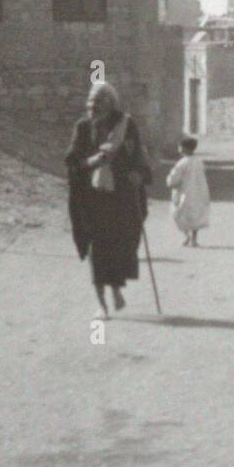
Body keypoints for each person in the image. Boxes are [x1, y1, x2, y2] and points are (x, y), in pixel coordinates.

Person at [64, 80, 153, 319]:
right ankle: (101, 303)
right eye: (91, 105)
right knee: (96, 249)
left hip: (120, 199)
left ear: (111, 106)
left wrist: (138, 174)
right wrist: (92, 162)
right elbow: (72, 161)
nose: (93, 110)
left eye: (99, 105)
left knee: (119, 247)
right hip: (91, 200)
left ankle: (115, 288)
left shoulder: (127, 125)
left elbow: (141, 158)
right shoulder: (83, 128)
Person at [165, 134, 210, 247]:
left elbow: (174, 177)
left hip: (185, 192)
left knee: (179, 213)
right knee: (194, 215)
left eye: (180, 147)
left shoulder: (182, 163)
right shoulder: (199, 161)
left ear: (184, 148)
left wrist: (171, 182)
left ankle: (188, 236)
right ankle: (192, 238)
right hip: (198, 191)